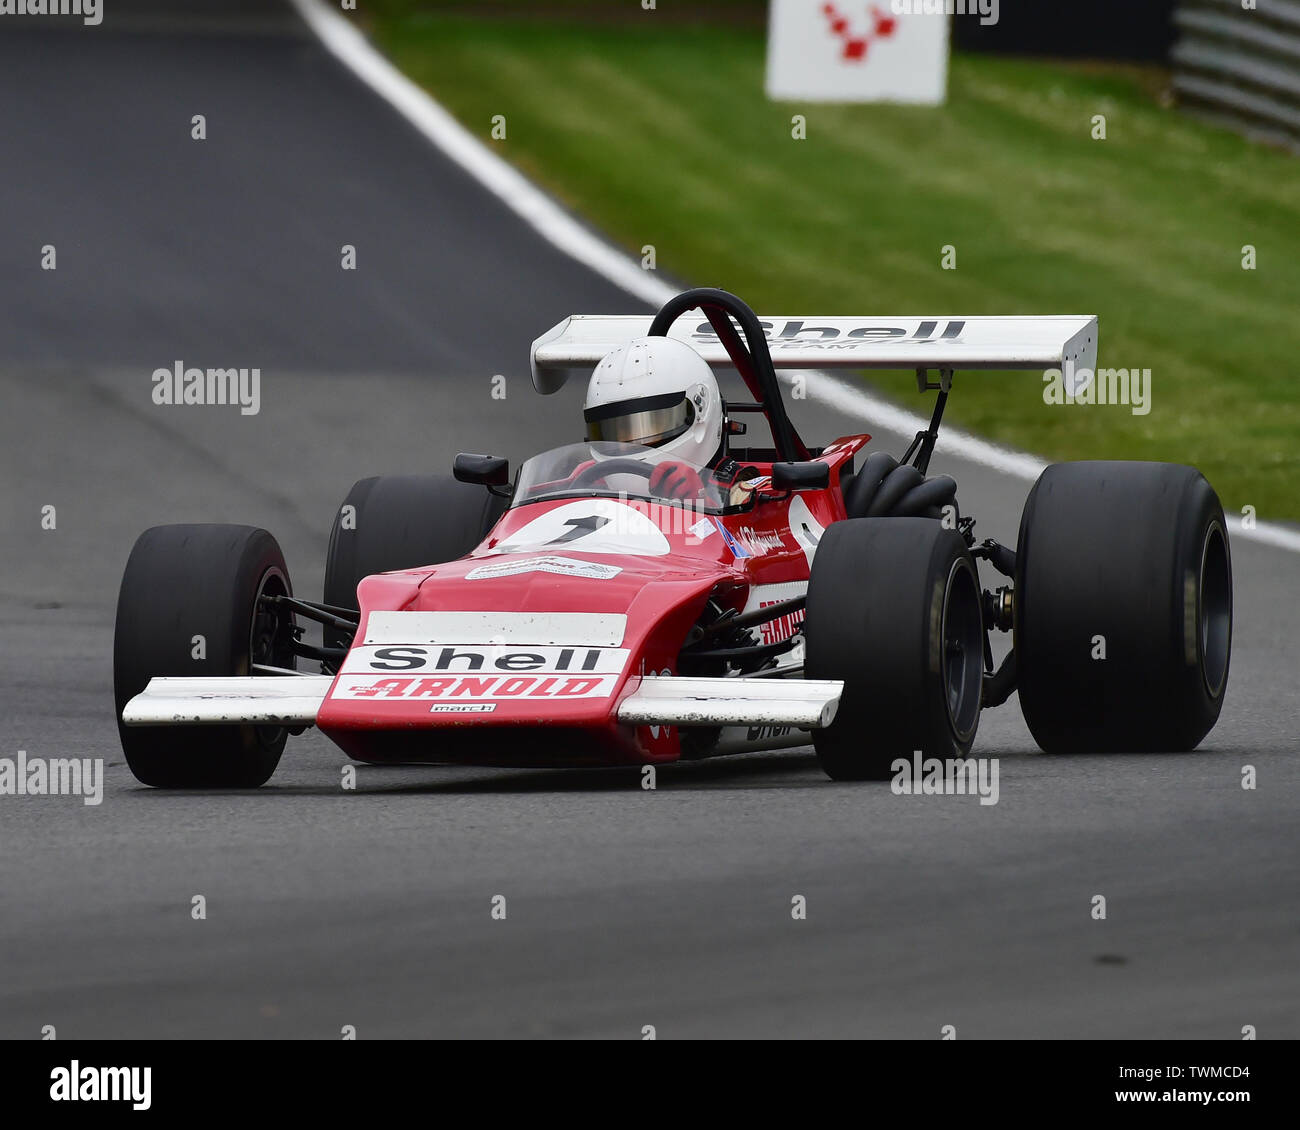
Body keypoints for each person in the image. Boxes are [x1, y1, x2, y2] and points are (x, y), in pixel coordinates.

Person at [581, 337, 726, 501]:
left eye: (651, 426)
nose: (625, 446)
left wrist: (702, 502)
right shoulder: (592, 485)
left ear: (700, 413)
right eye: (612, 432)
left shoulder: (737, 494)